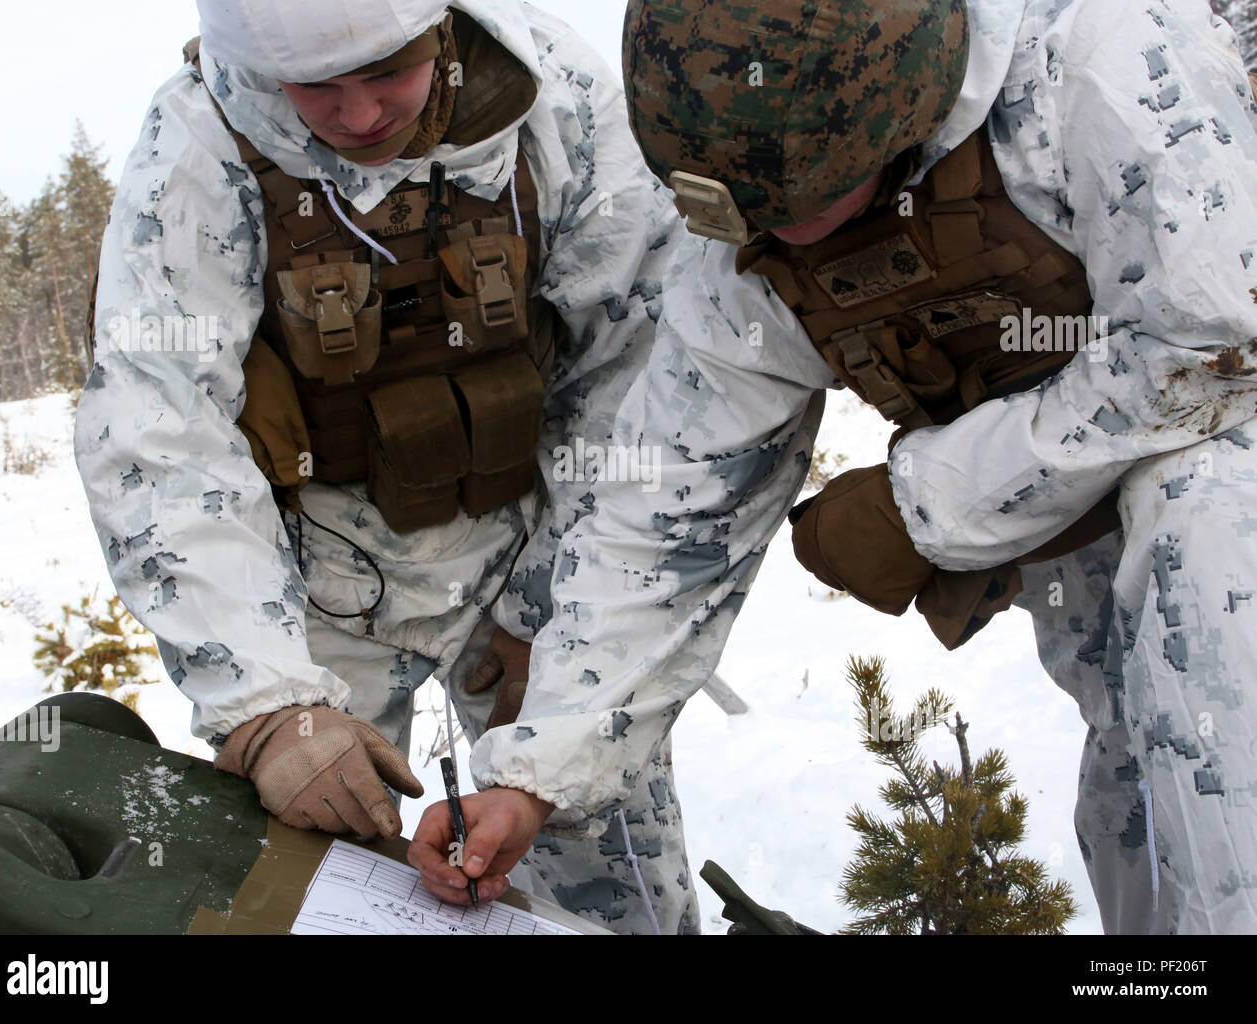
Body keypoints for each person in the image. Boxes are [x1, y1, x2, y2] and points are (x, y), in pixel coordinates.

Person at [473, 0, 1253, 933]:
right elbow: (669, 517)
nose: (774, 232)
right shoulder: (753, 224)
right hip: (1090, 535)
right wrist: (531, 776)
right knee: (1143, 777)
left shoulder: (1097, 66)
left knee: (1218, 692)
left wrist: (920, 503)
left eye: (799, 198)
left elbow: (1215, 346)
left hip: (1220, 503)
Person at [75, 0, 702, 934]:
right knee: (312, 888)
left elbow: (648, 361)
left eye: (387, 73)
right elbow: (157, 429)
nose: (360, 115)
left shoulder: (553, 96)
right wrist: (266, 704)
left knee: (603, 854)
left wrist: (561, 607)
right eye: (318, 86)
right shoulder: (197, 143)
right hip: (318, 583)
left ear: (443, 31)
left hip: (530, 532)